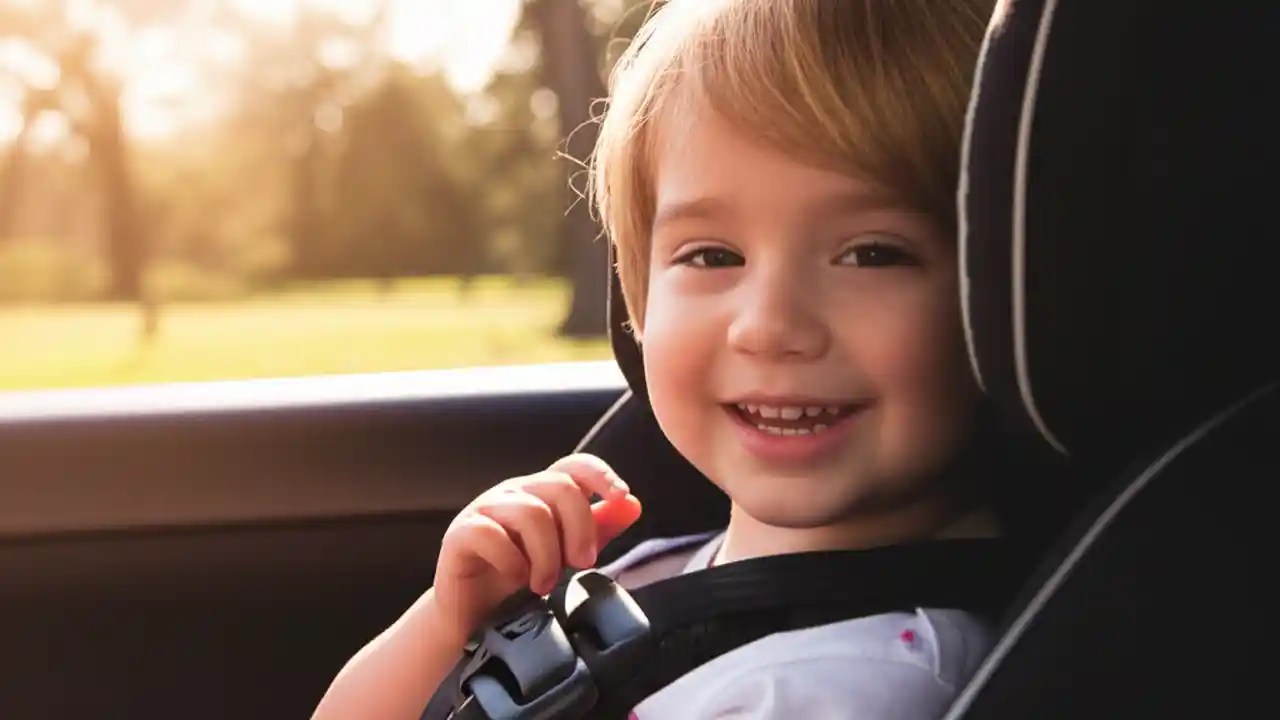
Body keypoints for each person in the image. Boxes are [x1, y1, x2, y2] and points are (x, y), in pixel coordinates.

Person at [313, 0, 1001, 717]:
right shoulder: (661, 571)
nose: (768, 326)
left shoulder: (842, 692)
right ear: (637, 303)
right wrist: (450, 624)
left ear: (999, 297)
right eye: (712, 255)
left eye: (871, 254)